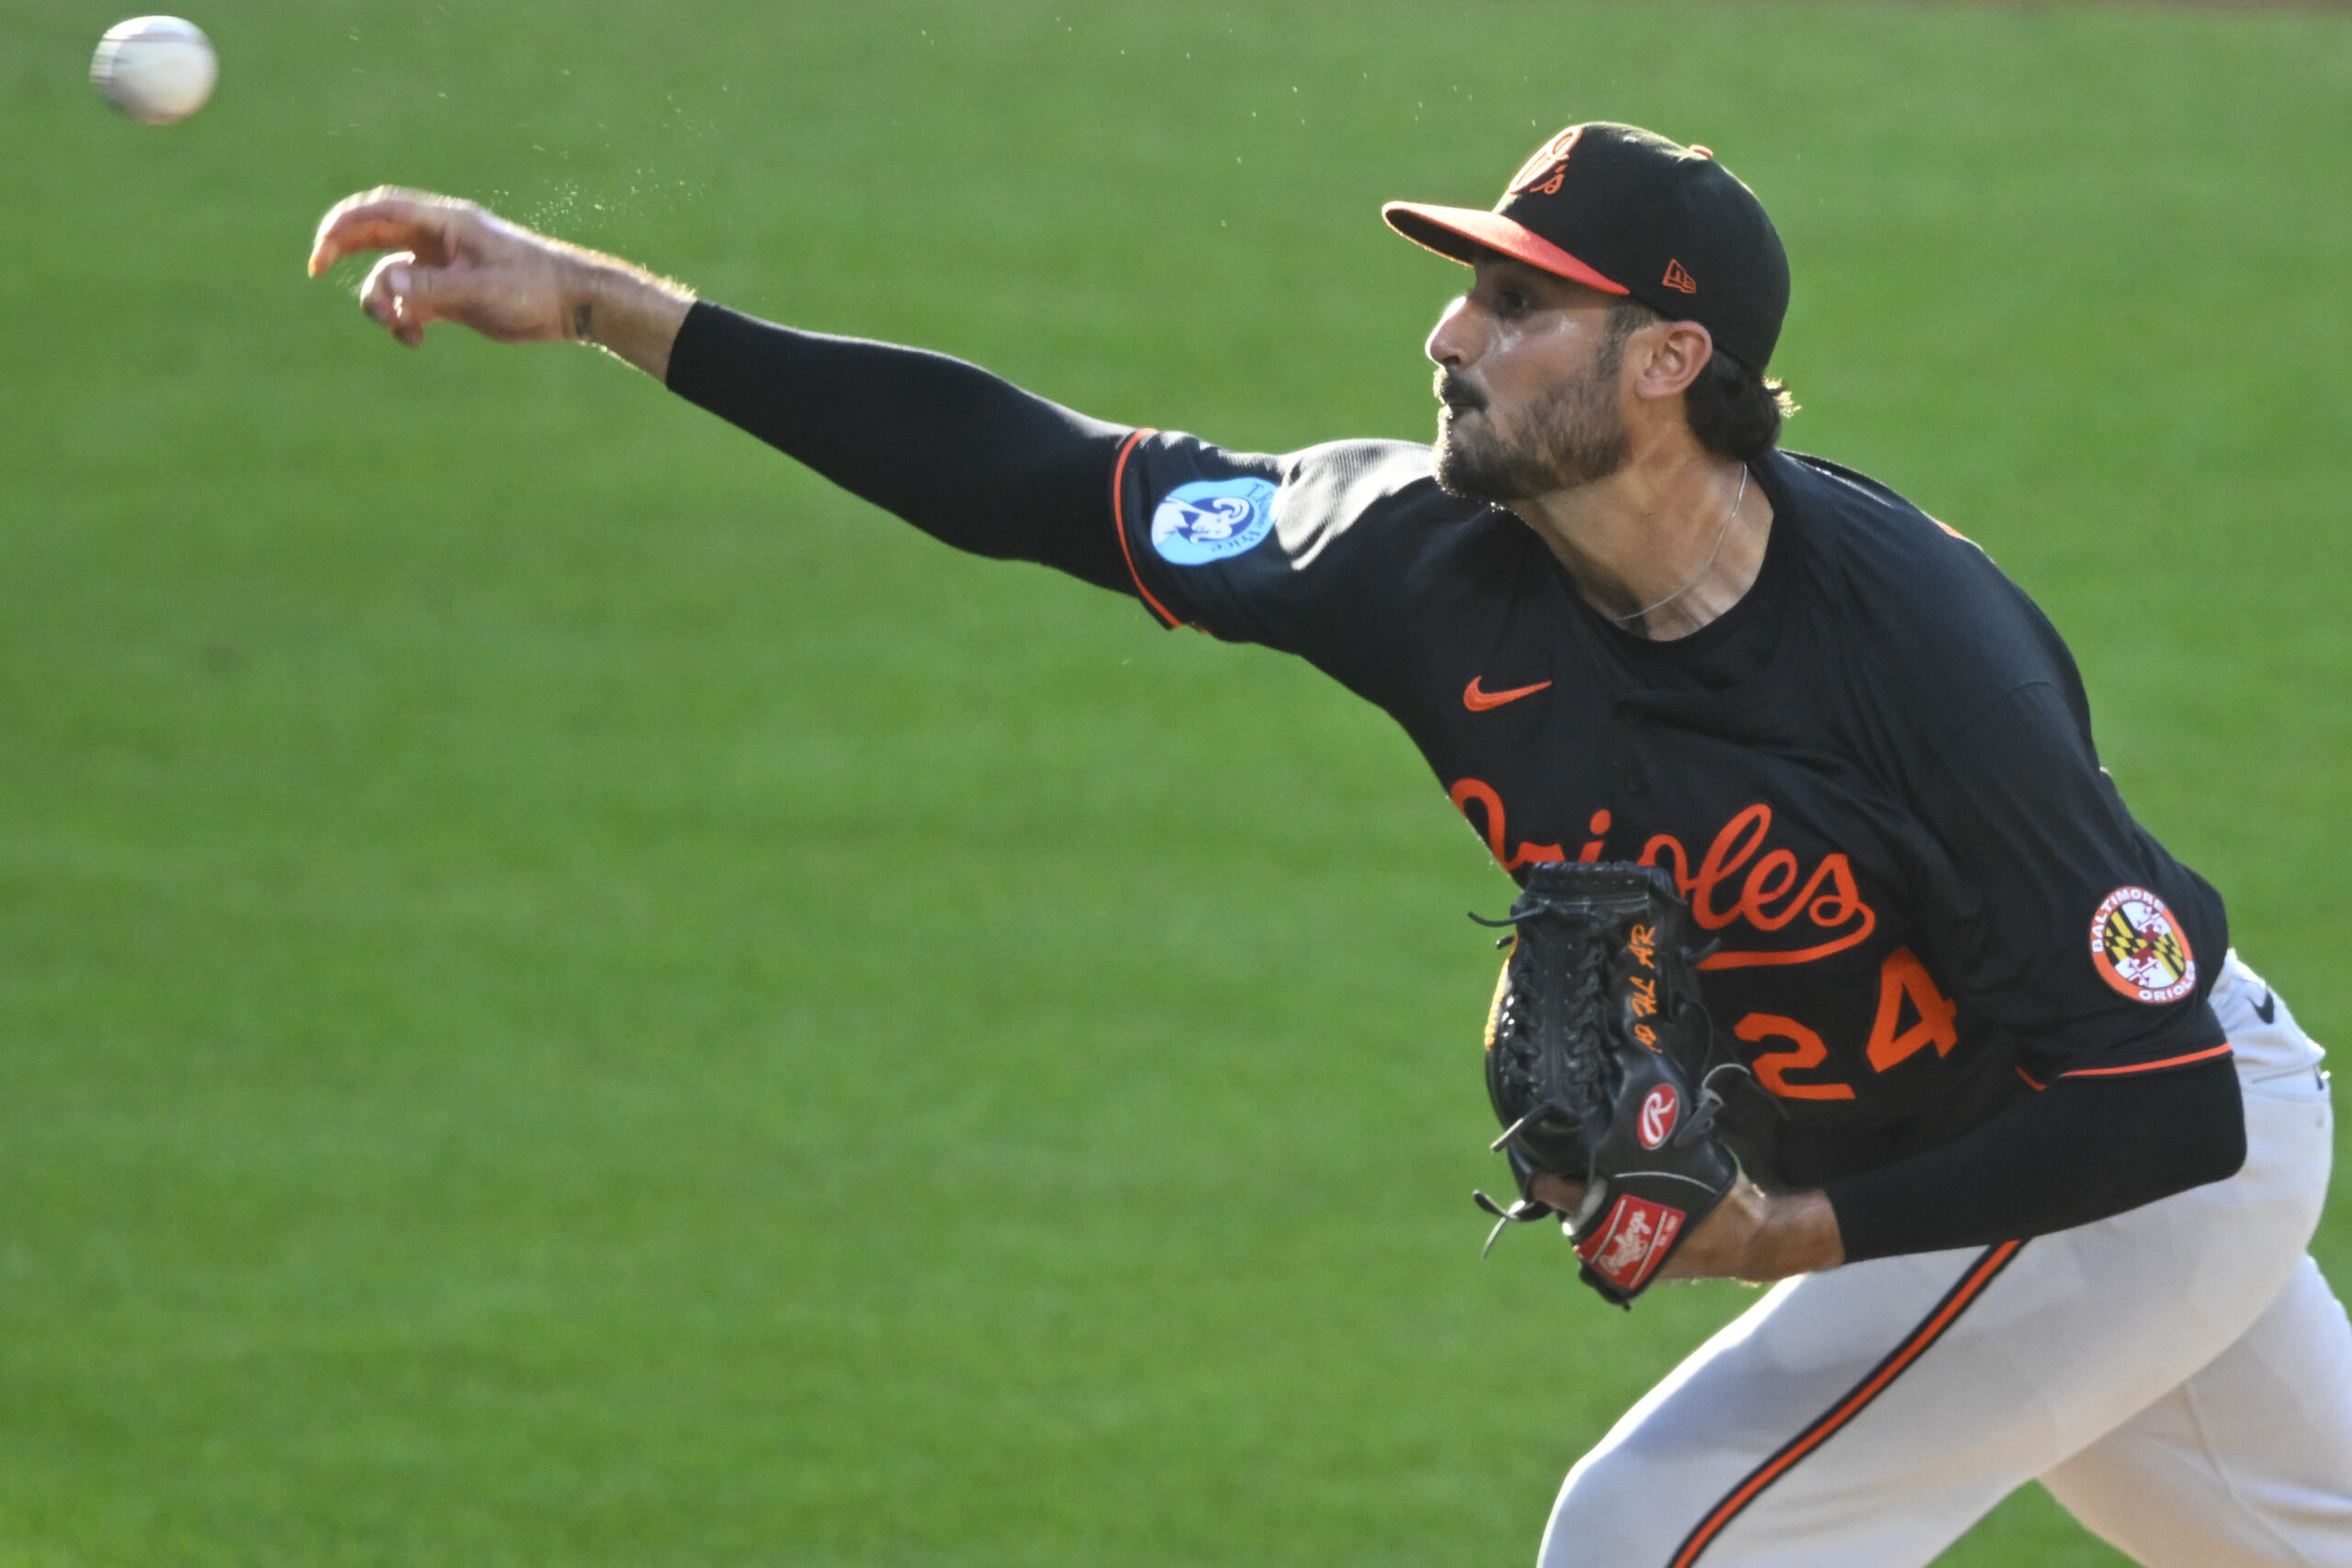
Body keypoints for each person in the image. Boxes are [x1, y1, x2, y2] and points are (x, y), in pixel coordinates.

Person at [308, 121, 2352, 1566]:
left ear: (1666, 362)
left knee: (1649, 1535)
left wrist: (1781, 1235)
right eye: (1463, 291)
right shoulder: (1409, 558)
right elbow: (1037, 479)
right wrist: (600, 305)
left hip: (2115, 1152)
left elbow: (2158, 1109)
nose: (1448, 339)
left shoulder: (1918, 662)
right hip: (1986, 1154)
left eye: (1510, 303)